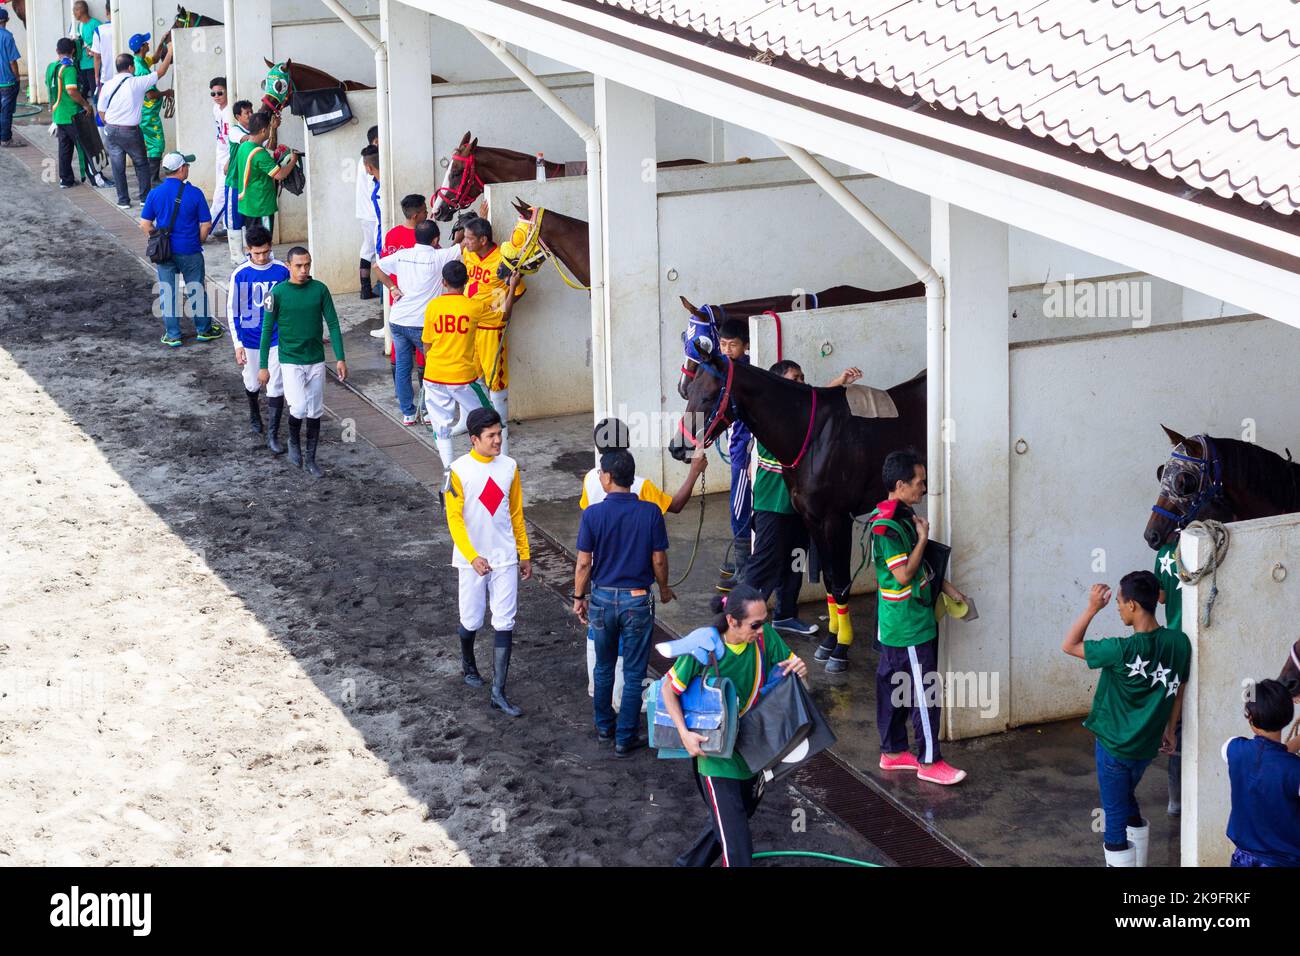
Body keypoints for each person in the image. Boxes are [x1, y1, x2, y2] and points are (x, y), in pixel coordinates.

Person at [664, 584, 808, 866]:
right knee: (738, 847)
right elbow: (669, 690)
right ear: (732, 620)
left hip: (753, 752)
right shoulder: (704, 649)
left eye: (764, 622)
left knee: (732, 823)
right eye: (755, 624)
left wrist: (801, 672)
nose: (761, 630)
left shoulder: (766, 640)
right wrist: (684, 734)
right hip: (715, 758)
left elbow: (800, 682)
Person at [577, 417, 709, 707]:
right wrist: (694, 472)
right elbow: (674, 506)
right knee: (628, 645)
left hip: (601, 577)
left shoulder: (591, 478)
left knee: (597, 637)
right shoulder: (640, 486)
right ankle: (621, 699)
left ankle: (596, 690)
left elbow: (586, 542)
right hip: (632, 582)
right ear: (627, 448)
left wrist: (579, 593)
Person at [1062, 572, 1190, 867]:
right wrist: (1171, 730)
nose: (1118, 608)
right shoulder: (1179, 642)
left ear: (1132, 605)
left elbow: (1069, 645)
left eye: (1119, 602)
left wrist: (1092, 608)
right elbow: (1179, 690)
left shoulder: (1120, 650)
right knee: (1125, 799)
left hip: (1114, 748)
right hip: (1146, 748)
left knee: (1115, 819)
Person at [866, 448, 970, 784]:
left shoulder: (899, 516)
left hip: (896, 623)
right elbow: (905, 575)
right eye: (919, 482)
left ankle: (893, 752)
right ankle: (929, 761)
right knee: (924, 692)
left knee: (893, 686)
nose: (924, 488)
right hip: (909, 625)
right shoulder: (890, 529)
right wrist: (924, 540)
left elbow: (923, 568)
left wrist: (949, 589)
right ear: (900, 484)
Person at [743, 360, 864, 638]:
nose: (801, 384)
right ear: (779, 386)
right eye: (794, 379)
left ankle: (785, 615)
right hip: (773, 505)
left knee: (794, 562)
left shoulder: (798, 413)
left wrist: (839, 379)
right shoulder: (774, 418)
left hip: (797, 506)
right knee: (764, 565)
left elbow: (815, 397)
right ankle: (737, 621)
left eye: (802, 378)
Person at [573, 449, 675, 756]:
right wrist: (665, 588)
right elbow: (659, 560)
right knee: (633, 672)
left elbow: (583, 564)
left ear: (607, 477)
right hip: (637, 601)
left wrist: (579, 597)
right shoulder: (650, 513)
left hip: (602, 598)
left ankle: (605, 727)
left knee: (603, 667)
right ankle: (625, 736)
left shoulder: (592, 514)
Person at [445, 407, 532, 717]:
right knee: (471, 620)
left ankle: (498, 690)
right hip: (472, 561)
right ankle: (468, 664)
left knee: (504, 621)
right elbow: (454, 520)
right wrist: (472, 556)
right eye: (491, 436)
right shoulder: (457, 470)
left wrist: (524, 553)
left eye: (500, 434)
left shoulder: (510, 467)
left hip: (505, 556)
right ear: (474, 439)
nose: (498, 440)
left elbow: (516, 514)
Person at [371, 222, 475, 430]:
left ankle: (408, 413)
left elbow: (376, 266)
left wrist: (393, 287)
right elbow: (465, 243)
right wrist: (475, 221)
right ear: (436, 240)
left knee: (402, 367)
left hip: (398, 320)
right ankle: (427, 411)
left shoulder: (402, 255)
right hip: (421, 324)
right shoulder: (439, 257)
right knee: (431, 368)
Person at [258, 247, 345, 478]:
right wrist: (263, 365)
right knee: (298, 407)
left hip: (315, 358)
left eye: (307, 265)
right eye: (298, 265)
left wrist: (340, 358)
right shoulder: (276, 294)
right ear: (288, 266)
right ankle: (293, 441)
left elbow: (334, 324)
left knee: (315, 411)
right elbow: (267, 329)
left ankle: (311, 459)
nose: (304, 270)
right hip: (290, 360)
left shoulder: (320, 290)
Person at [138, 151, 222, 348]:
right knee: (196, 289)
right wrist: (199, 241)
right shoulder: (195, 193)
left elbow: (145, 224)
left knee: (168, 292)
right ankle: (204, 330)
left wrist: (157, 238)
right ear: (181, 169)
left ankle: (173, 334)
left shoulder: (155, 193)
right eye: (187, 166)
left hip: (165, 252)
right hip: (190, 250)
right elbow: (206, 225)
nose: (188, 169)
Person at [461, 217, 526, 454]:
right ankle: (471, 423)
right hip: (470, 325)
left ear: (483, 240)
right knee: (470, 375)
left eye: (469, 238)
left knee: (495, 381)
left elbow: (518, 290)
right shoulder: (468, 254)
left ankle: (501, 432)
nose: (465, 242)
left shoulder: (503, 260)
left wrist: (499, 309)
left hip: (490, 328)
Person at [1223, 678, 1300, 867]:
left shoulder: (1231, 748)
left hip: (1242, 860)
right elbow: (1276, 756)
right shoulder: (1294, 769)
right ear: (1288, 716)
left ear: (1250, 717)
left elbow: (1269, 756)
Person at [229, 225, 289, 452]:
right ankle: (254, 410)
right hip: (251, 338)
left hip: (277, 337)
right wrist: (238, 344)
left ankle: (272, 436)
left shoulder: (282, 271)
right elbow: (232, 310)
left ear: (270, 247)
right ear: (248, 250)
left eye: (265, 252)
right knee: (252, 382)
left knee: (276, 384)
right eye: (257, 253)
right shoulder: (240, 274)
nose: (262, 257)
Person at [97, 45, 173, 208]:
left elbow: (101, 110)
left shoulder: (108, 85)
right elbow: (161, 72)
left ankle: (123, 200)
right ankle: (144, 198)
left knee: (118, 167)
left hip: (111, 129)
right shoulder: (136, 82)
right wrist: (171, 52)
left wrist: (108, 124)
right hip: (130, 131)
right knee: (141, 164)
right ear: (131, 67)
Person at [714, 318, 753, 592]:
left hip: (744, 453)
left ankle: (744, 571)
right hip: (736, 449)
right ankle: (742, 565)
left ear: (746, 346)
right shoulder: (725, 370)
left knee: (740, 510)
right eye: (723, 345)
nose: (727, 350)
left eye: (733, 345)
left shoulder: (745, 374)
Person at [232, 110, 297, 240]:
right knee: (264, 242)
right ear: (263, 131)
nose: (269, 131)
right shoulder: (260, 154)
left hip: (248, 204)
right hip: (261, 206)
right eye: (269, 128)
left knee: (253, 241)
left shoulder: (244, 146)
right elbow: (280, 175)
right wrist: (293, 160)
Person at [49, 38, 92, 189]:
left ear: (57, 51)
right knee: (84, 146)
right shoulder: (69, 69)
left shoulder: (52, 67)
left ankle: (66, 180)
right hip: (72, 114)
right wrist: (86, 104)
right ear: (73, 51)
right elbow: (72, 91)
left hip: (58, 114)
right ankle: (93, 177)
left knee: (65, 148)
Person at [130, 35, 168, 188]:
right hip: (148, 114)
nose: (147, 43)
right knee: (157, 144)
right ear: (141, 47)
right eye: (145, 42)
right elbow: (150, 94)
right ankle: (153, 178)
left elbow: (156, 58)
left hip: (146, 112)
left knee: (148, 144)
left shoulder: (139, 62)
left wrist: (162, 41)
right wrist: (166, 93)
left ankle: (149, 176)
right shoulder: (141, 69)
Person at [221, 99, 255, 263]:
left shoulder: (255, 130)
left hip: (250, 182)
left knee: (248, 218)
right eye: (246, 113)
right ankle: (236, 255)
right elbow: (248, 140)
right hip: (235, 181)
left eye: (251, 112)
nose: (250, 115)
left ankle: (250, 251)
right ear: (237, 117)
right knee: (233, 218)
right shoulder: (235, 131)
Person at [356, 126, 380, 300]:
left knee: (367, 249)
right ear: (376, 141)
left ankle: (366, 288)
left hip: (365, 212)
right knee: (373, 250)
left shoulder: (364, 159)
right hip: (373, 213)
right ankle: (369, 288)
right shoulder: (372, 161)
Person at [208, 76, 230, 239]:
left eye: (220, 93)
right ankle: (227, 225)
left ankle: (205, 229)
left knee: (221, 194)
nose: (216, 97)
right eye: (213, 94)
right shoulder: (216, 109)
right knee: (221, 191)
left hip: (229, 155)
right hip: (220, 152)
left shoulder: (231, 111)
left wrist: (230, 160)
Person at [69, 1, 101, 102]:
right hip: (82, 64)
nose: (73, 13)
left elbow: (103, 44)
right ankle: (85, 113)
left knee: (94, 90)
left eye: (75, 10)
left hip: (93, 64)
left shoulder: (96, 24)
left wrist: (92, 52)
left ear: (80, 10)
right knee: (83, 90)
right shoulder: (78, 26)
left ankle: (98, 114)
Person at [0, 8, 22, 149]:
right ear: (6, 20)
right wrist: (17, 77)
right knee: (6, 112)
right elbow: (12, 61)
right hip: (7, 81)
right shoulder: (7, 37)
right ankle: (6, 139)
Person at [88, 2, 114, 97]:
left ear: (107, 12)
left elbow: (97, 56)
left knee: (104, 106)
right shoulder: (125, 27)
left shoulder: (99, 30)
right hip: (126, 75)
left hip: (107, 77)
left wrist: (96, 77)